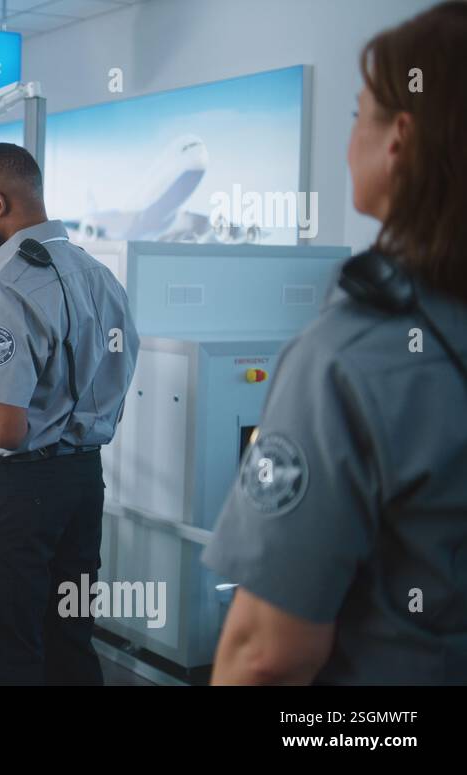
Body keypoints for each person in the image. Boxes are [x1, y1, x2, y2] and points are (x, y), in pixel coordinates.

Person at [203, 1, 467, 685]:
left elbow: (264, 654)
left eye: (357, 115)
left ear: (398, 140)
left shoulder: (349, 360)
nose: (349, 139)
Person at [0, 142, 138, 685]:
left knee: (1, 650)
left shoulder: (8, 283)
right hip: (81, 485)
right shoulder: (98, 275)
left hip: (17, 498)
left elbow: (6, 427)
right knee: (68, 648)